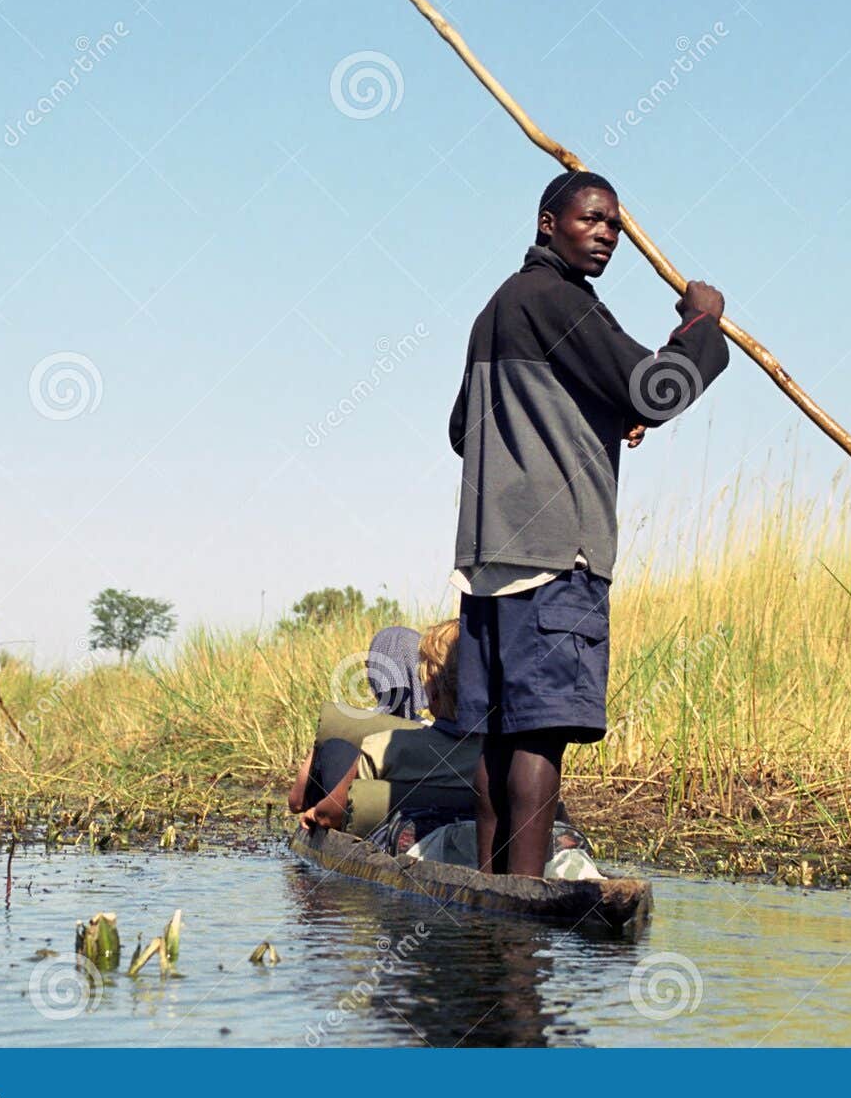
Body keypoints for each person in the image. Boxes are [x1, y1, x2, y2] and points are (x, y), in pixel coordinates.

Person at [449, 171, 729, 875]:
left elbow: (464, 430)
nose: (606, 233)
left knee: (495, 741)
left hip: (488, 559)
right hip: (555, 553)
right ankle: (524, 909)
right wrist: (702, 321)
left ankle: (492, 900)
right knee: (539, 737)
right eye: (591, 219)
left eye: (616, 225)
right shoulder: (562, 300)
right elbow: (655, 389)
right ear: (548, 223)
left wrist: (593, 418)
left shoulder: (497, 309)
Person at [297, 619, 481, 832]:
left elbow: (320, 810)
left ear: (433, 687)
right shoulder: (504, 755)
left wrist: (316, 812)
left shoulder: (383, 747)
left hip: (389, 837)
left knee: (335, 749)